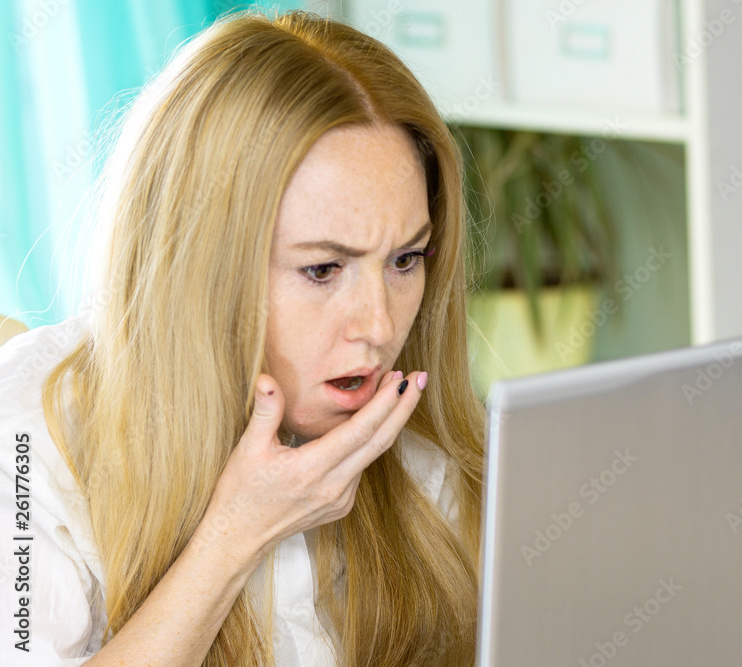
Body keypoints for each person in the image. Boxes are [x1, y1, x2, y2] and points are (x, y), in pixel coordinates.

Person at [0, 9, 484, 666]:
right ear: (199, 262)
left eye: (405, 260)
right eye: (322, 268)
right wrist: (235, 535)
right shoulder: (30, 432)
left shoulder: (415, 442)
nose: (378, 325)